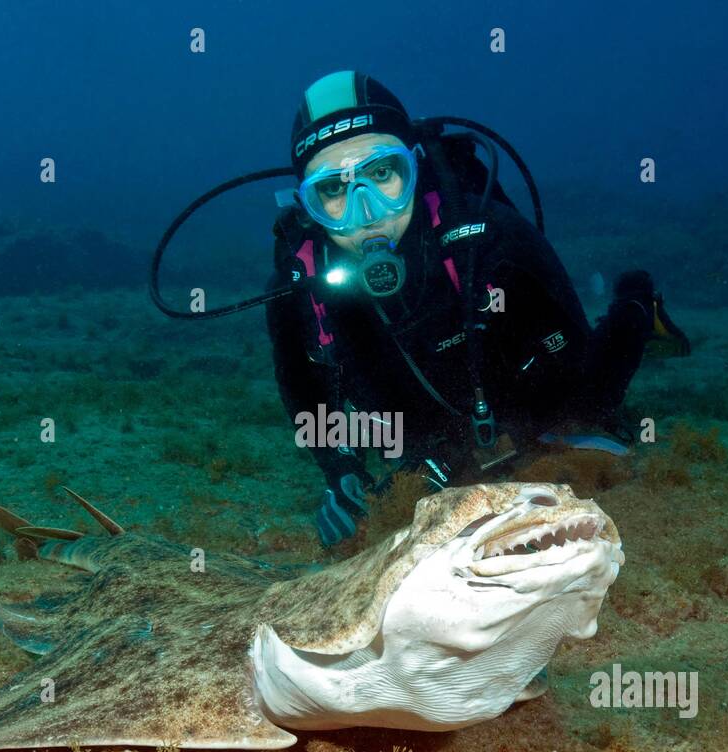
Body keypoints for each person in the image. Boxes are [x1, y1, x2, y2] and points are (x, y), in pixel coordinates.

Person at [263, 72, 691, 546]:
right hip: (414, 417)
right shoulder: (299, 286)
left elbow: (567, 351)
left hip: (515, 379)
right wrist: (339, 467)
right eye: (333, 190)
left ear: (415, 168)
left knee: (590, 401)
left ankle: (636, 303)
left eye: (382, 173)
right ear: (309, 205)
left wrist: (511, 436)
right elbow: (304, 391)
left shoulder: (492, 237)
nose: (366, 213)